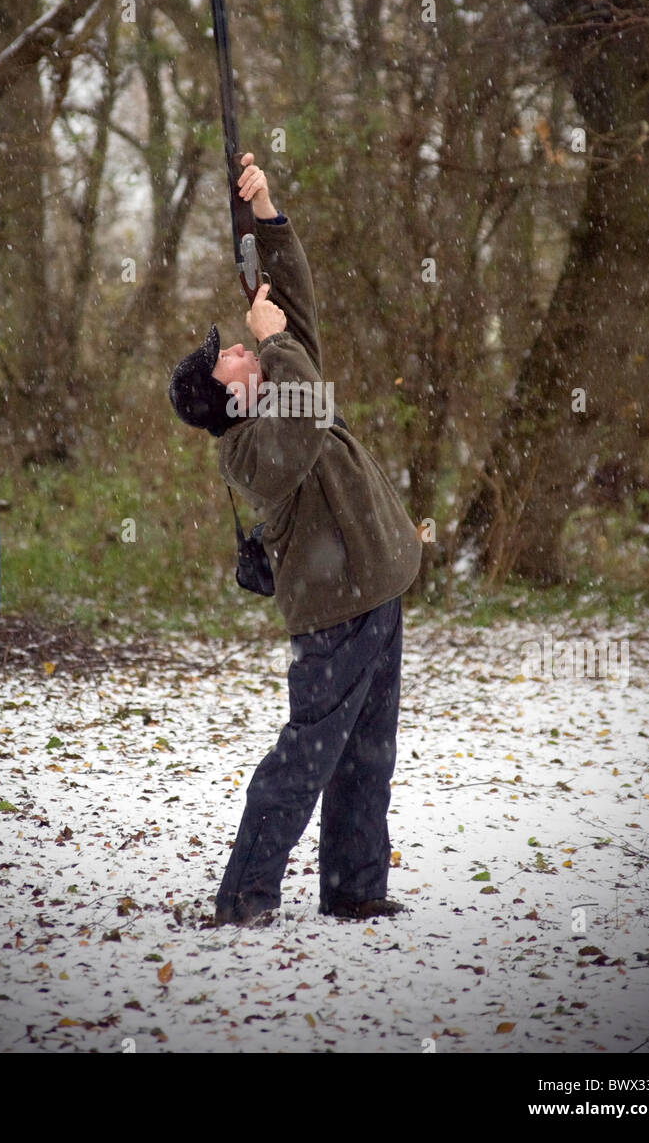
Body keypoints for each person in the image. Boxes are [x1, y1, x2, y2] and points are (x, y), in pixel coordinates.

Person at [168, 155, 423, 927]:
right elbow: (305, 408)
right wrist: (274, 343)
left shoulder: (281, 377)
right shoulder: (249, 448)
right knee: (303, 759)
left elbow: (295, 314)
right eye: (229, 357)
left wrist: (266, 216)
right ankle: (243, 897)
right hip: (334, 611)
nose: (240, 348)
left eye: (236, 345)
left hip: (379, 586)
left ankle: (353, 888)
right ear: (226, 394)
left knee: (366, 756)